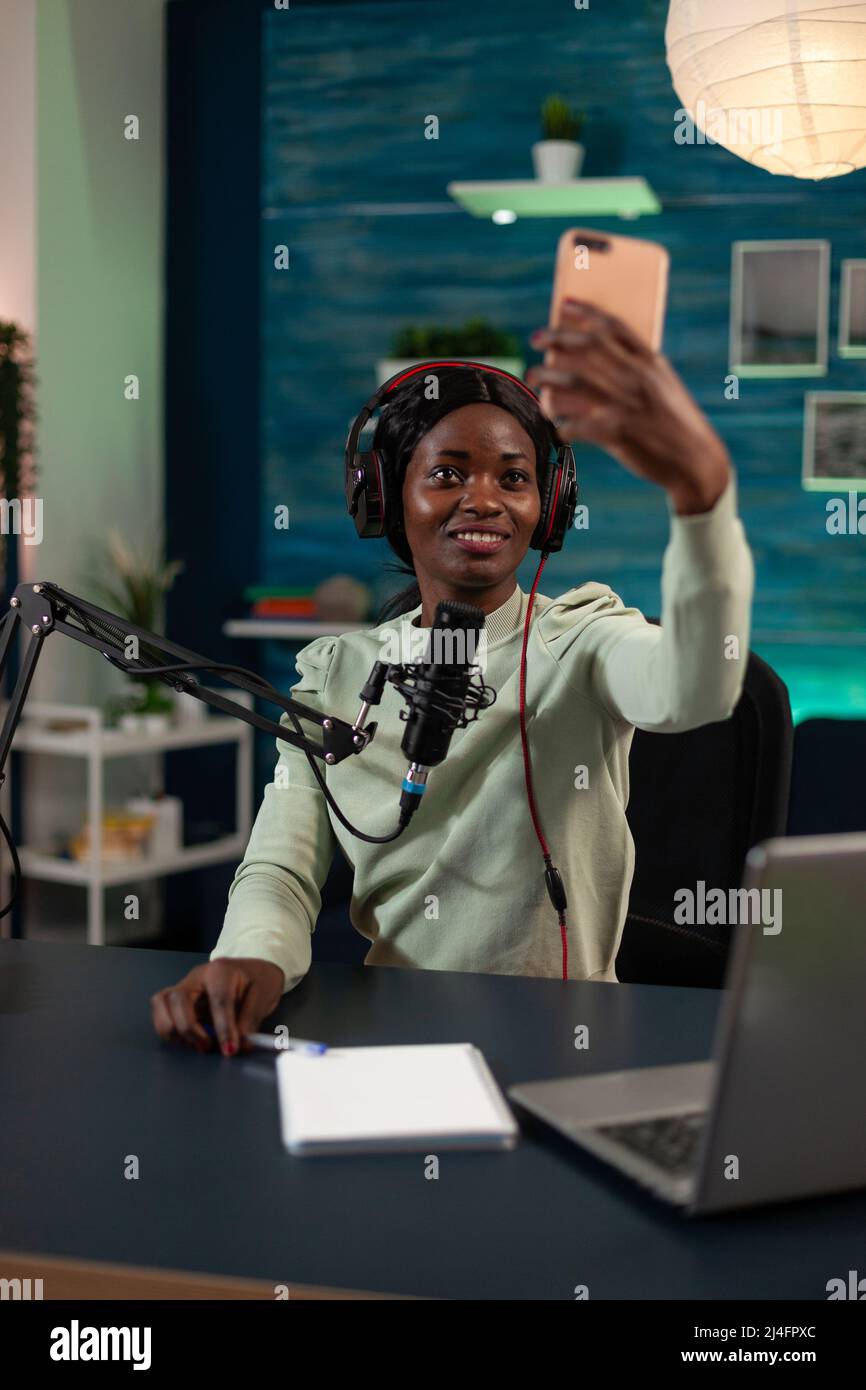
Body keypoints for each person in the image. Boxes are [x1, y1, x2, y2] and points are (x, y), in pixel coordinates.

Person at [151, 300, 754, 1057]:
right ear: (387, 500)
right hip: (400, 1038)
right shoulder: (338, 674)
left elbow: (697, 686)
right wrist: (249, 958)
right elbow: (283, 863)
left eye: (514, 477)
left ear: (549, 506)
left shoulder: (585, 640)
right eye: (447, 474)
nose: (485, 500)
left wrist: (701, 496)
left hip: (571, 1043)